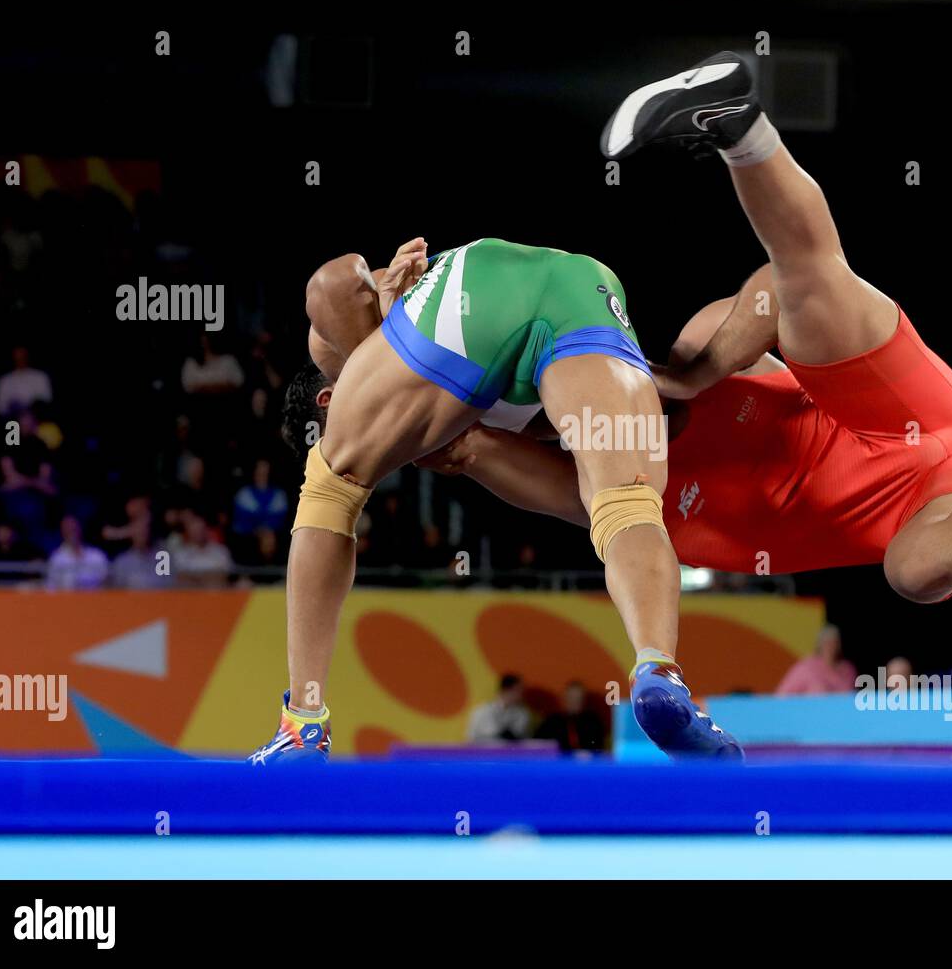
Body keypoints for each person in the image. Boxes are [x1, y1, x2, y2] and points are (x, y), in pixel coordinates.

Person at [415, 51, 952, 606]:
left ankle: (735, 121)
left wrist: (694, 375)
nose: (588, 411)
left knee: (808, 282)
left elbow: (775, 293)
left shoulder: (698, 352)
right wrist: (353, 411)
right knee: (911, 575)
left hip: (908, 422)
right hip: (951, 513)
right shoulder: (616, 488)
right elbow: (462, 448)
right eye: (561, 416)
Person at [250, 237, 741, 764]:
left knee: (330, 486)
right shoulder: (459, 433)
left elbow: (333, 281)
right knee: (626, 504)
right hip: (583, 288)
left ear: (330, 400)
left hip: (472, 296)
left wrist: (384, 318)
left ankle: (302, 722)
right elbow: (585, 506)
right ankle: (658, 672)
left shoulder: (345, 361)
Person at [776, 623, 858, 695]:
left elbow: (854, 699)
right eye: (827, 642)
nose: (831, 647)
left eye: (834, 642)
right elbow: (782, 694)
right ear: (819, 644)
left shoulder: (848, 670)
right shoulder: (806, 667)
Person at [535, 681, 607, 752]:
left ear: (583, 699)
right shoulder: (552, 721)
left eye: (577, 699)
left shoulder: (593, 721)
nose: (574, 702)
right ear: (564, 698)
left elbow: (598, 746)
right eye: (571, 697)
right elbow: (539, 744)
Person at [45, 515, 109, 590]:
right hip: (67, 600)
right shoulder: (57, 559)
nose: (71, 531)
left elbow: (107, 583)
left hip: (95, 599)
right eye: (67, 529)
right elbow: (51, 587)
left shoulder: (97, 555)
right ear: (62, 532)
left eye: (73, 528)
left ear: (80, 528)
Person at [465, 674, 532, 744]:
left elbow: (523, 739)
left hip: (512, 754)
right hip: (484, 753)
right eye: (518, 690)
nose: (521, 695)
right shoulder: (482, 711)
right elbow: (470, 738)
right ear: (505, 690)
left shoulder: (522, 713)